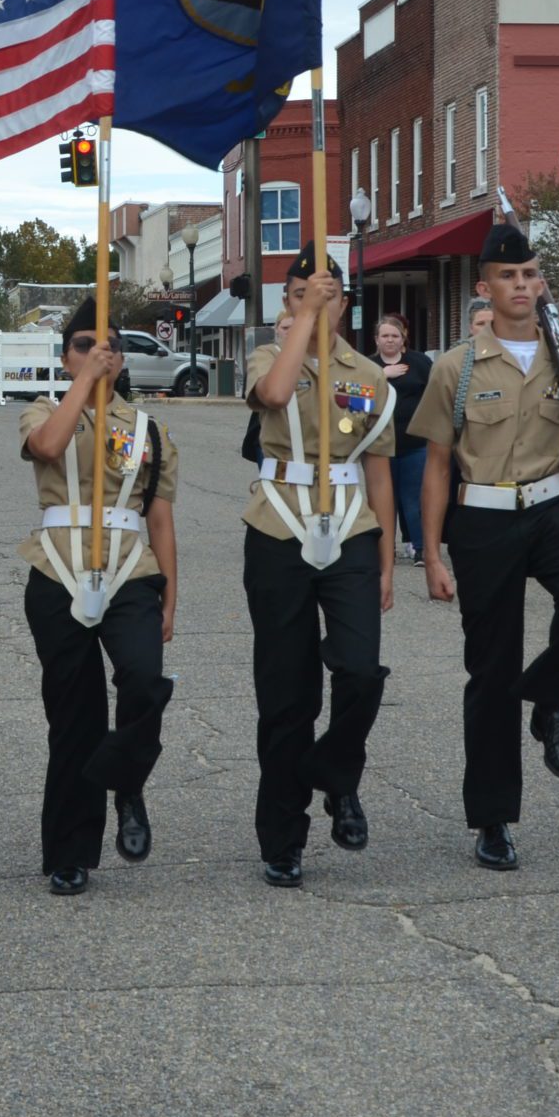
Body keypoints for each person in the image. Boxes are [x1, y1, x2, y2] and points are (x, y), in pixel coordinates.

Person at [412, 221, 559, 873]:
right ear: (486, 287)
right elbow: (437, 464)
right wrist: (433, 554)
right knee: (490, 672)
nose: (520, 285)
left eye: (529, 275)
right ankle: (494, 820)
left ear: (540, 282)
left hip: (552, 505)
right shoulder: (456, 366)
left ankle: (547, 701)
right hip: (484, 519)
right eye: (507, 276)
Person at [243, 245, 395, 889]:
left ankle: (337, 775)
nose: (318, 303)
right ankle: (283, 836)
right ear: (288, 303)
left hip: (351, 526)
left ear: (347, 303)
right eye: (304, 294)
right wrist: (304, 319)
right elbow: (275, 394)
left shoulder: (370, 376)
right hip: (279, 523)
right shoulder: (268, 358)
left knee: (360, 669)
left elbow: (380, 471)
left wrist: (387, 561)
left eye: (329, 295)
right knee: (288, 693)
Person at [17, 302, 178, 895]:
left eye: (107, 345)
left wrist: (170, 598)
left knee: (142, 680)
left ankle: (127, 782)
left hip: (130, 568)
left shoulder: (146, 429)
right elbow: (50, 446)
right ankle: (70, 851)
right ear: (65, 357)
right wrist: (85, 382)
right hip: (58, 568)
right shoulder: (43, 410)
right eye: (83, 344)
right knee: (74, 717)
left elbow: (160, 520)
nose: (97, 352)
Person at [373, 313, 433, 566]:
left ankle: (421, 549)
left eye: (394, 336)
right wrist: (382, 375)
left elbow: (435, 395)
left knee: (414, 499)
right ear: (376, 340)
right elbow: (354, 399)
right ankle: (384, 550)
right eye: (385, 336)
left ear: (403, 338)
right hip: (379, 446)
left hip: (415, 444)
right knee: (383, 500)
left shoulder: (420, 363)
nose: (390, 340)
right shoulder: (367, 366)